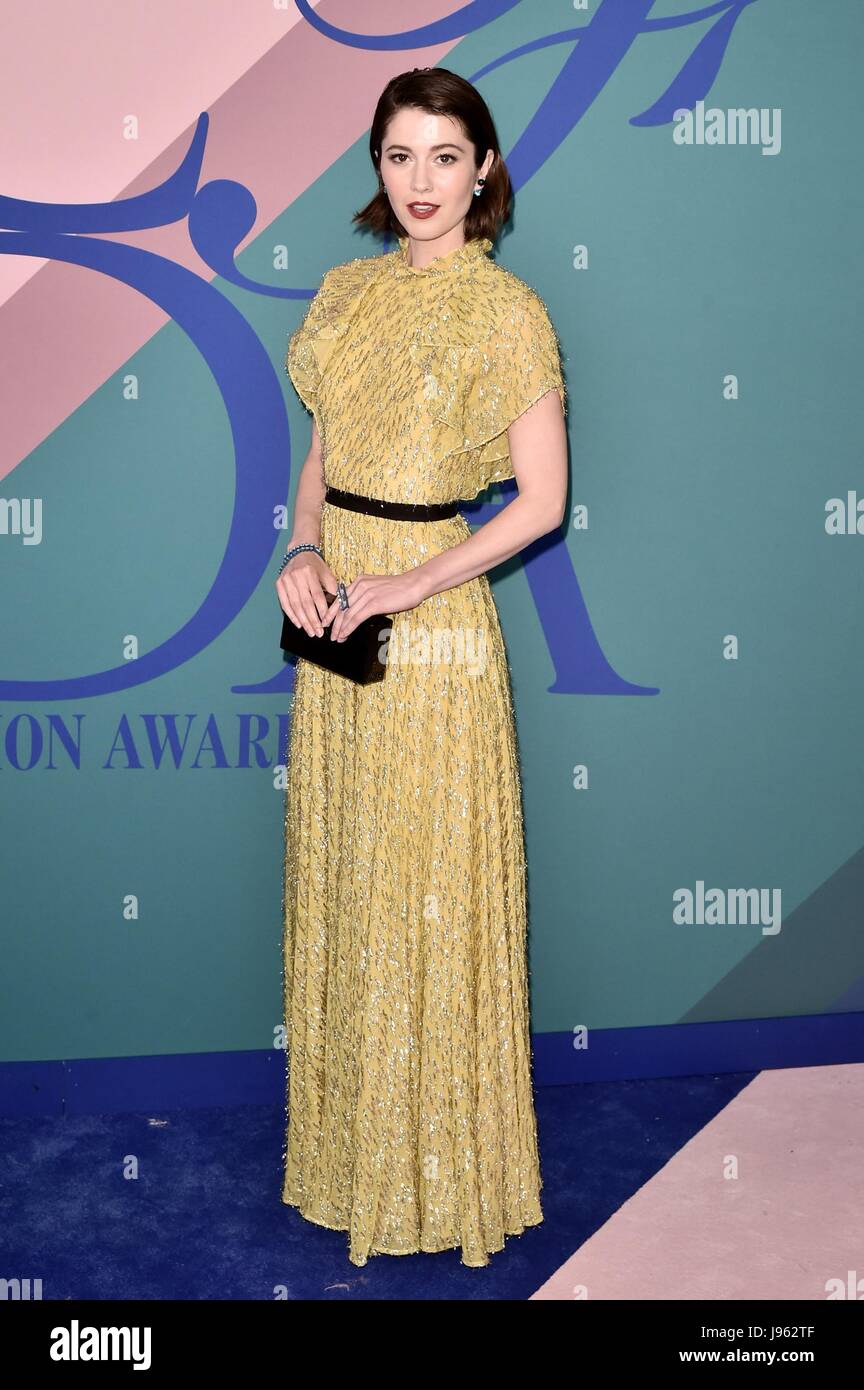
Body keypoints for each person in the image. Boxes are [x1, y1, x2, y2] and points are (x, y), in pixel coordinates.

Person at [276, 67, 568, 1269]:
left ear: (484, 171)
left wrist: (407, 580)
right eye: (400, 156)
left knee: (426, 892)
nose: (422, 182)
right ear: (376, 169)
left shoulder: (510, 313)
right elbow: (324, 459)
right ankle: (353, 1163)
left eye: (447, 156)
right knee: (352, 881)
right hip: (336, 616)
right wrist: (302, 548)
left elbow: (542, 505)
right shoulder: (345, 294)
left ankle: (442, 1176)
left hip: (433, 628)